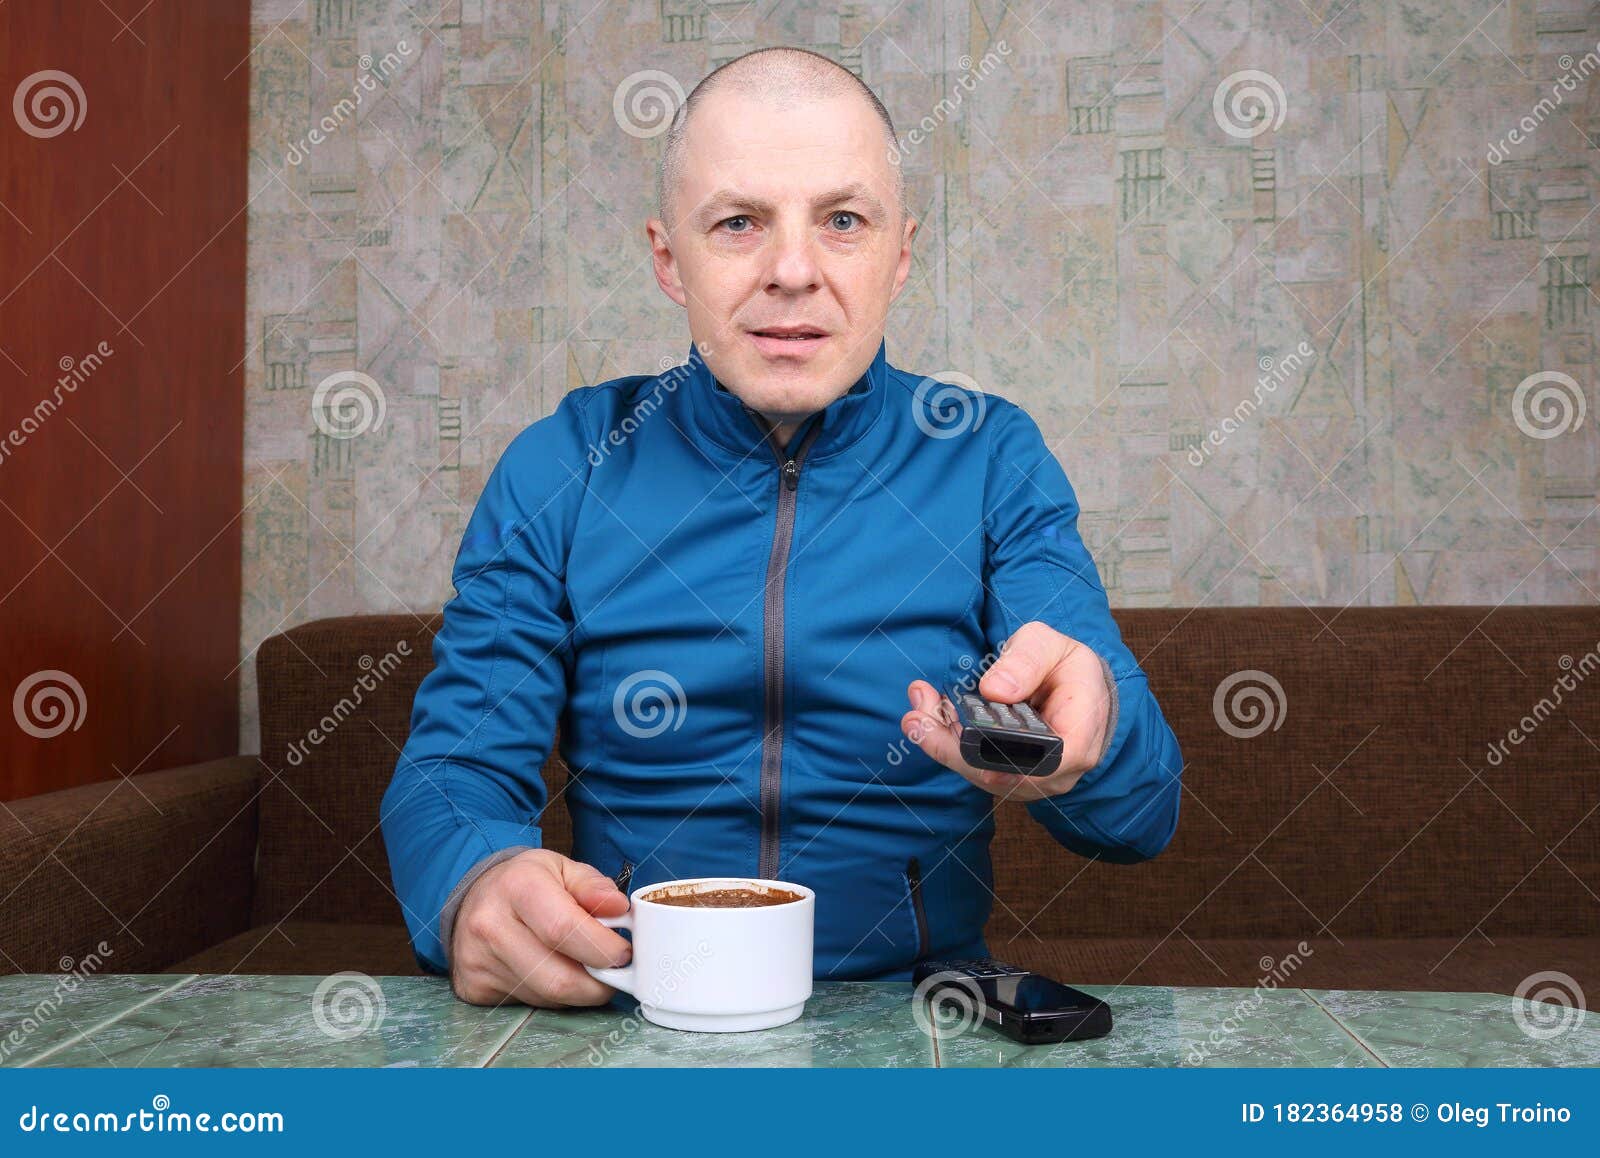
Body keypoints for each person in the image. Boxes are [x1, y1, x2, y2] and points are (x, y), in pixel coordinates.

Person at [380, 47, 1182, 1008]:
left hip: (912, 1019)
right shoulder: (564, 465)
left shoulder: (990, 459)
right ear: (670, 258)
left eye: (843, 221)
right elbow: (453, 772)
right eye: (738, 223)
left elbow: (1141, 817)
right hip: (634, 1007)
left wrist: (1092, 745)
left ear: (901, 253)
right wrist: (474, 887)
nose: (792, 272)